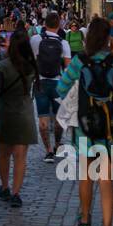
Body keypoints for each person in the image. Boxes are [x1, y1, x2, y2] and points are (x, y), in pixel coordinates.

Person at [56, 14, 113, 226]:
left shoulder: (80, 61)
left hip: (86, 126)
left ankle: (85, 219)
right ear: (108, 38)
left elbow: (61, 86)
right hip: (111, 127)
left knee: (86, 174)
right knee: (106, 179)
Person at [0, 26, 39, 207]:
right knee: (20, 157)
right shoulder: (31, 66)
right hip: (24, 112)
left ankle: (4, 186)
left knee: (4, 154)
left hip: (5, 111)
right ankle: (16, 192)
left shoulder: (2, 66)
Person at [30, 11, 72, 160]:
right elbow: (67, 68)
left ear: (45, 24)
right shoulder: (63, 43)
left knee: (43, 118)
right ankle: (57, 144)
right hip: (57, 83)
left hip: (40, 82)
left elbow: (31, 61)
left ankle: (48, 151)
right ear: (59, 25)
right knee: (59, 119)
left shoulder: (35, 40)